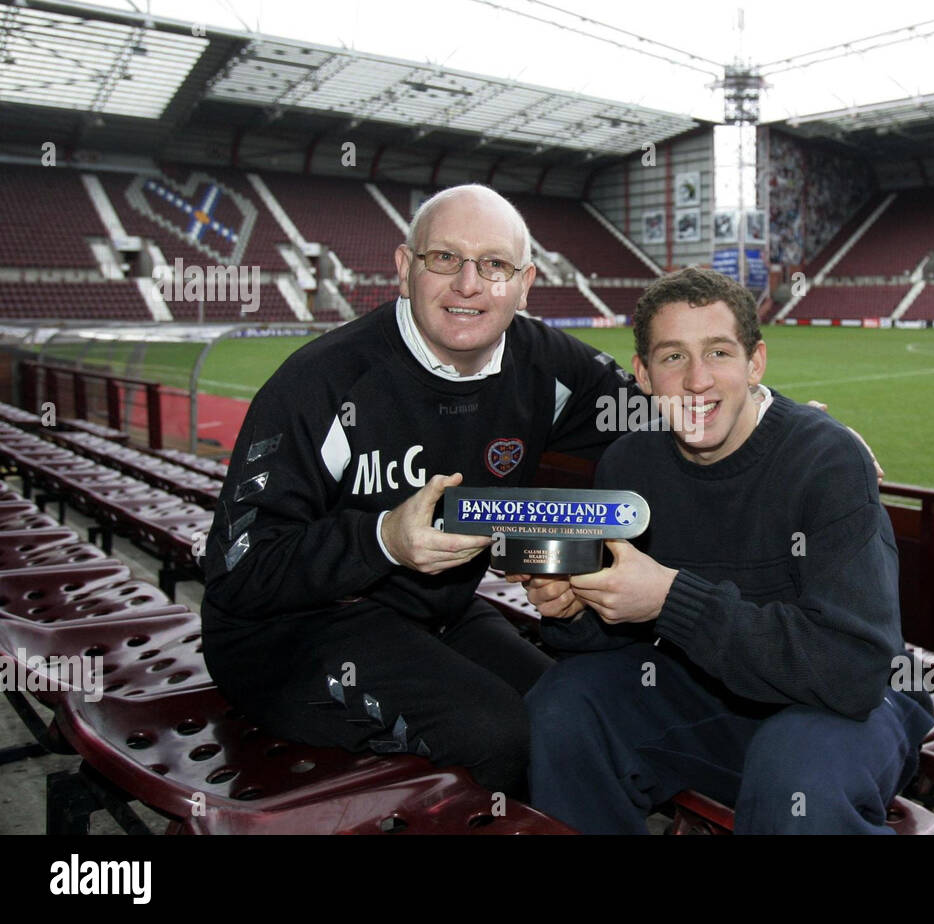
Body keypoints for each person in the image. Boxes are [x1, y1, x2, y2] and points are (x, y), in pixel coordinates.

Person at [200, 184, 637, 799]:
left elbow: (656, 413)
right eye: (444, 259)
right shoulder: (320, 383)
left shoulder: (546, 363)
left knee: (569, 710)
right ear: (406, 269)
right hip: (288, 634)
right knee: (498, 734)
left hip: (438, 612)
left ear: (524, 282)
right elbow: (237, 572)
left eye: (494, 265)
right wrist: (381, 540)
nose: (468, 284)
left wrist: (768, 420)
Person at [516, 266, 934, 834]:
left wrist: (671, 599)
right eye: (672, 358)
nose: (696, 381)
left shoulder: (826, 461)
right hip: (709, 687)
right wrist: (572, 609)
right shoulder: (628, 463)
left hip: (850, 703)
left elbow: (853, 670)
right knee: (562, 705)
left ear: (755, 362)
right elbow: (617, 634)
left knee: (796, 773)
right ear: (641, 374)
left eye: (718, 352)